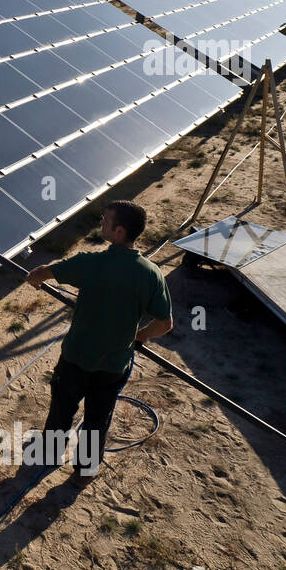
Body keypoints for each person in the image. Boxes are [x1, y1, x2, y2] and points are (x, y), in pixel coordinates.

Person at [23, 200, 173, 477]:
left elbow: (46, 272)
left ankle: (48, 454)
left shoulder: (91, 263)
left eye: (105, 221)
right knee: (97, 420)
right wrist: (138, 338)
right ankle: (85, 471)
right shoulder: (152, 274)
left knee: (61, 410)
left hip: (76, 358)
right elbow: (164, 323)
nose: (100, 224)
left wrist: (35, 277)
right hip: (114, 365)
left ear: (119, 232)